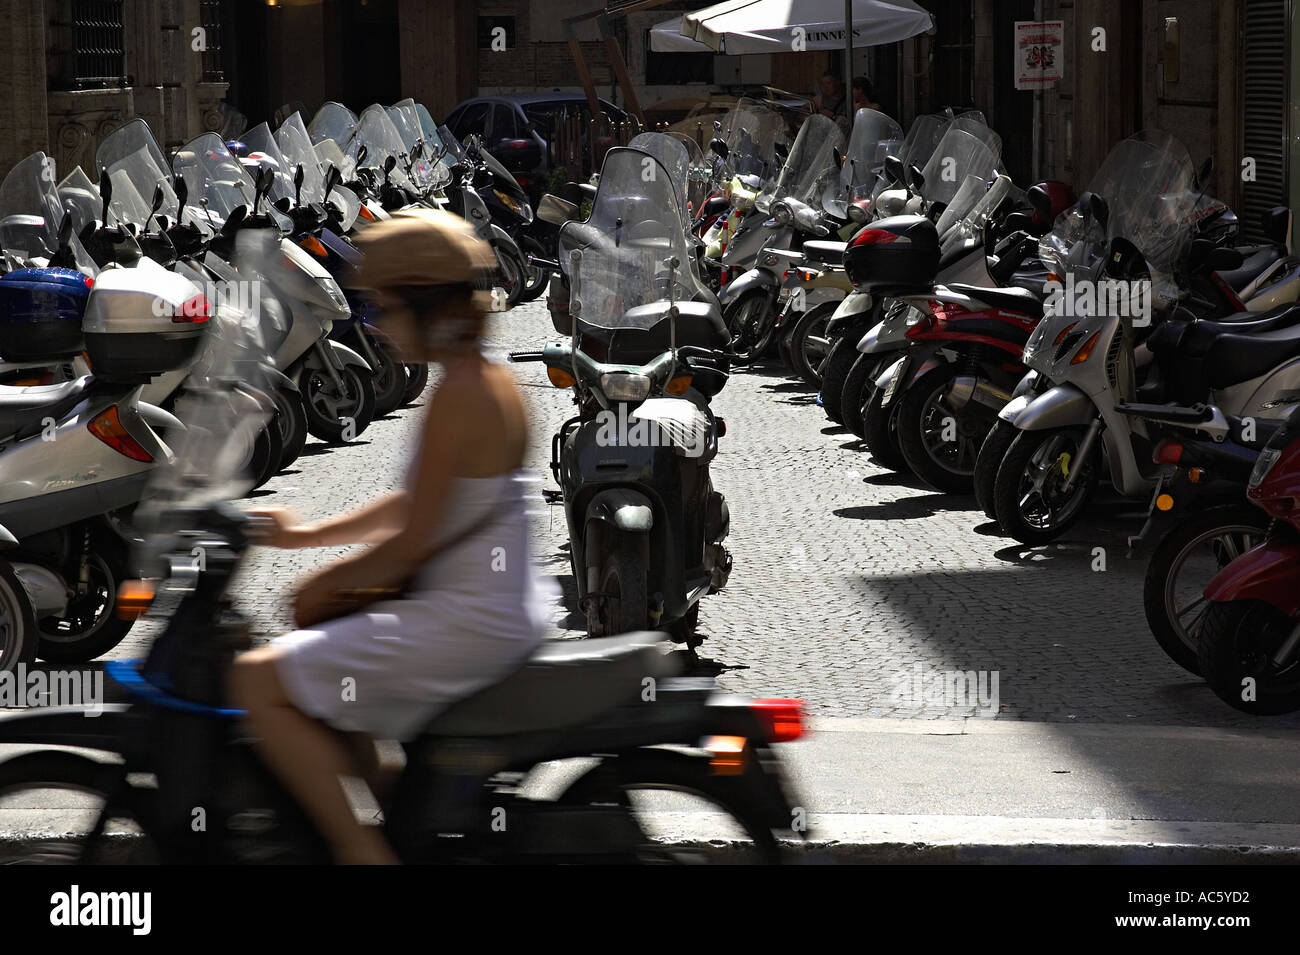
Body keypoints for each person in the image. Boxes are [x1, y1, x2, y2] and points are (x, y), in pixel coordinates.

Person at [228, 208, 552, 865]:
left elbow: (412, 538)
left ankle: (361, 852)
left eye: (384, 306)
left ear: (428, 305)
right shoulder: (480, 378)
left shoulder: (462, 394)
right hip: (493, 608)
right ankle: (382, 811)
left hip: (466, 621)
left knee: (258, 680)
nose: (374, 323)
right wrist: (310, 536)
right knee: (320, 632)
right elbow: (421, 505)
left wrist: (322, 578)